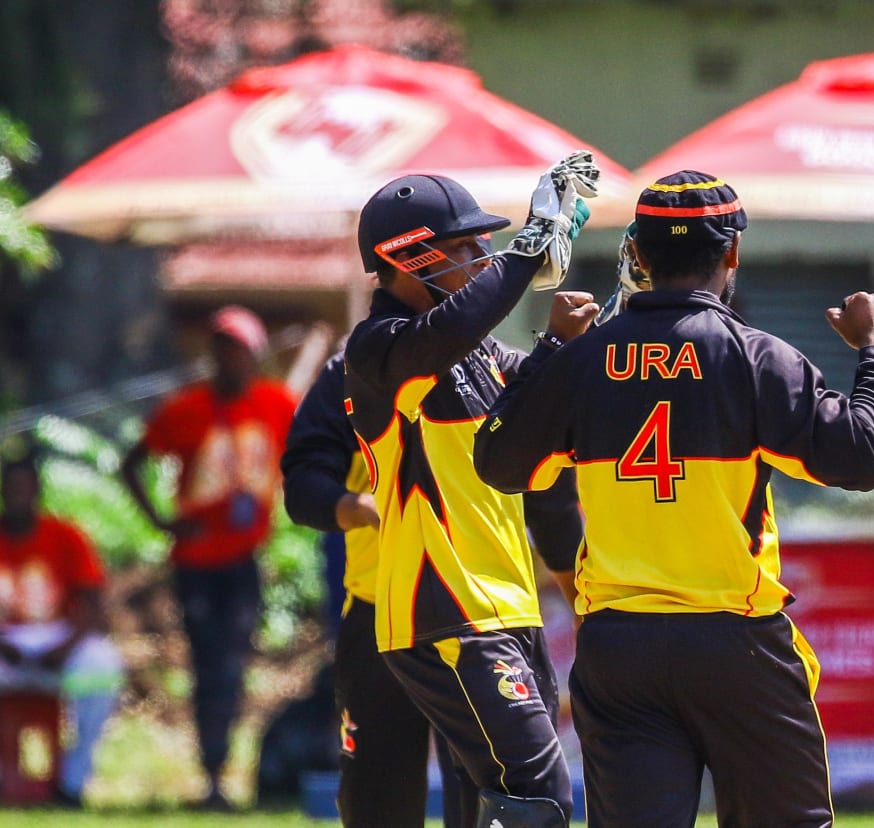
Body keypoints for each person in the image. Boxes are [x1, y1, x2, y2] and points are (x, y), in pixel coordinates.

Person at [473, 170, 874, 828]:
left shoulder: (585, 361)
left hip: (619, 649)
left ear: (637, 255)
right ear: (731, 255)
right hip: (737, 644)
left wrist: (553, 348)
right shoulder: (757, 358)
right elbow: (866, 456)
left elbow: (498, 462)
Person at [344, 157, 591, 828]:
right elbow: (446, 335)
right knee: (537, 795)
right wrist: (530, 244)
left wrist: (619, 308)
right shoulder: (379, 350)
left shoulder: (477, 355)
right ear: (410, 257)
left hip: (508, 609)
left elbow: (536, 404)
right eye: (466, 246)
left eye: (487, 244)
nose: (484, 257)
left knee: (489, 807)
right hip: (444, 609)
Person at [280, 349, 485, 827]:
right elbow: (305, 482)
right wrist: (364, 506)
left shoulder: (488, 360)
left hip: (481, 611)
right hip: (382, 605)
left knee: (487, 794)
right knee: (377, 798)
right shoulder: (356, 368)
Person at [118, 303, 296, 810]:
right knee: (206, 664)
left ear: (254, 355)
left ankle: (226, 771)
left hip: (245, 559)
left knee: (233, 666)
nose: (229, 358)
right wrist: (160, 521)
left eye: (238, 349)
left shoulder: (276, 404)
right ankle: (211, 777)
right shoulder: (186, 409)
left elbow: (313, 452)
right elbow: (132, 464)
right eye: (222, 348)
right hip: (195, 561)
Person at [0, 438, 122, 808]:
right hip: (5, 648)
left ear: (37, 491)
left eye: (25, 487)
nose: (19, 495)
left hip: (58, 640)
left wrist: (64, 648)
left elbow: (94, 606)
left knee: (103, 664)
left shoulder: (65, 535)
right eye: (11, 488)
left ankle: (72, 783)